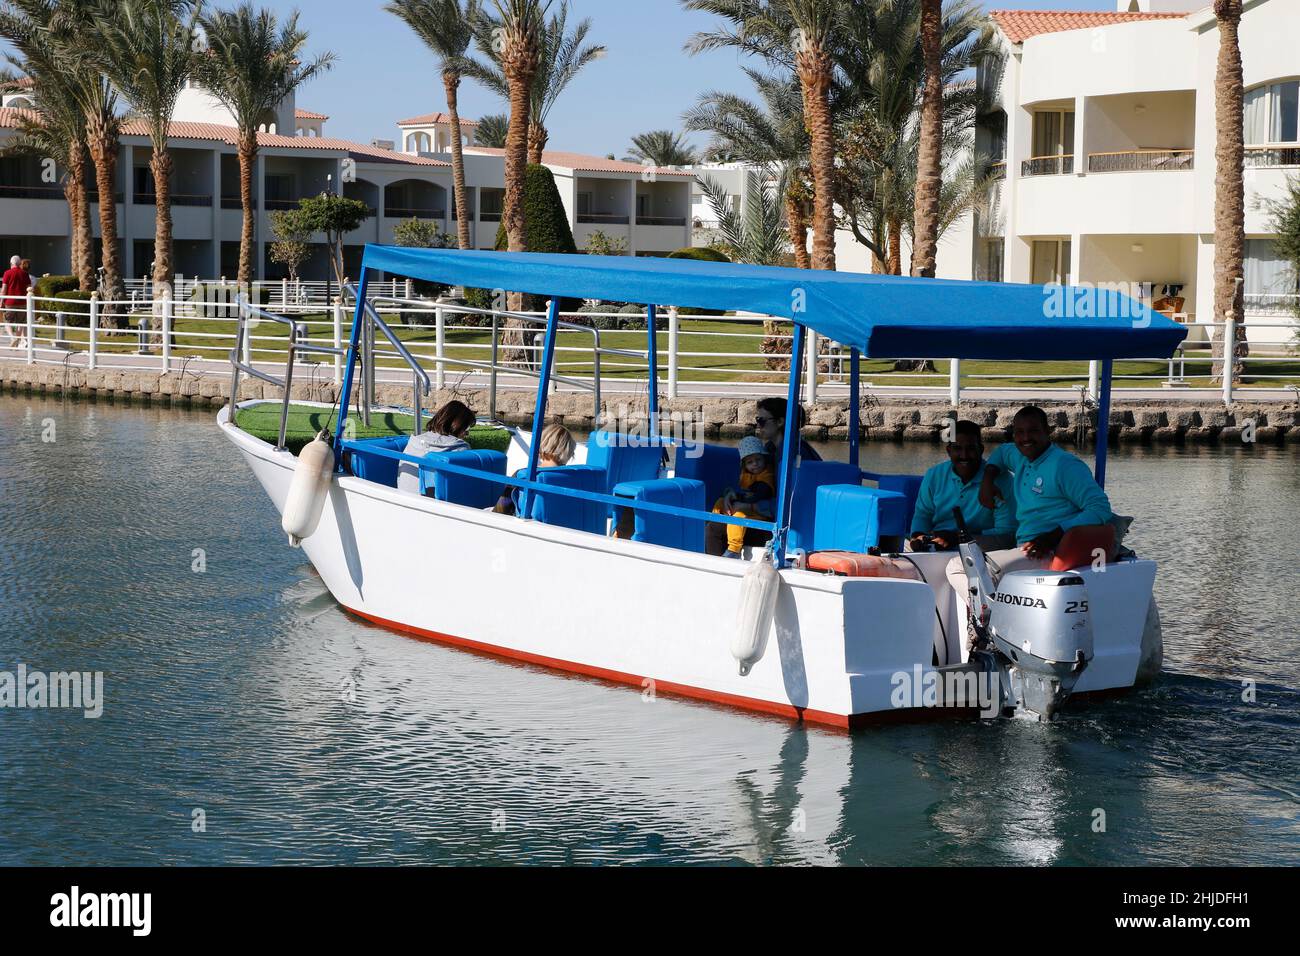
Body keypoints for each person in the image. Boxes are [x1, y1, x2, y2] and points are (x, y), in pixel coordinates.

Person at [946, 405, 1115, 612]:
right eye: (1019, 432)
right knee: (963, 556)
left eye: (1033, 431)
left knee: (957, 567)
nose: (1026, 438)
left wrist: (1056, 534)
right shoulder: (1020, 455)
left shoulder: (1065, 466)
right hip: (1023, 547)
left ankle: (989, 617)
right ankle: (987, 619)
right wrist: (987, 480)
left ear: (1048, 432)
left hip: (1047, 551)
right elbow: (1000, 453)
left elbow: (1100, 508)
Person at [705, 397, 820, 556]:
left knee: (715, 529)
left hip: (783, 528)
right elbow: (755, 485)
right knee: (718, 515)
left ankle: (719, 570)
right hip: (766, 518)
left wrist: (748, 507)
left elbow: (794, 504)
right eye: (757, 420)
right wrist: (734, 495)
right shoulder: (769, 450)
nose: (758, 425)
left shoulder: (795, 456)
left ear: (780, 422)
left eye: (762, 420)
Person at [909, 420, 1016, 553]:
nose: (964, 455)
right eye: (957, 448)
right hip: (936, 545)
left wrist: (958, 538)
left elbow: (1006, 536)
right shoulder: (934, 474)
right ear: (948, 450)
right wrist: (918, 537)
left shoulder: (1002, 480)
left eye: (971, 448)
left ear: (981, 450)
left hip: (984, 549)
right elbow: (923, 514)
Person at [712, 436, 777, 558]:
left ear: (764, 459)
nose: (755, 464)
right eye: (750, 462)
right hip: (749, 506)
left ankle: (734, 549)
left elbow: (757, 496)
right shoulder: (748, 475)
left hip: (761, 514)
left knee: (739, 515)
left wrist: (738, 501)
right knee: (720, 502)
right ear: (744, 465)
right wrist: (731, 496)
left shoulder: (766, 477)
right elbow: (743, 491)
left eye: (758, 459)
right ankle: (716, 518)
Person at [494, 423, 575, 516]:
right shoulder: (575, 478)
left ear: (542, 445)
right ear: (570, 452)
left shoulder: (522, 475)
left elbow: (501, 507)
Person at [397, 400, 476, 494]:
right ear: (458, 425)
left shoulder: (413, 442)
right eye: (467, 428)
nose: (467, 434)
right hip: (434, 506)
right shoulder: (460, 449)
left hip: (404, 500)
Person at [3, 256, 32, 348]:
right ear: (19, 264)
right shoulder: (25, 274)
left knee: (7, 322)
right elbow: (29, 287)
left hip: (10, 302)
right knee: (21, 323)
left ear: (11, 264)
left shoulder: (7, 273)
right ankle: (17, 339)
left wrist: (1, 301)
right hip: (23, 302)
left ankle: (13, 338)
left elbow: (4, 289)